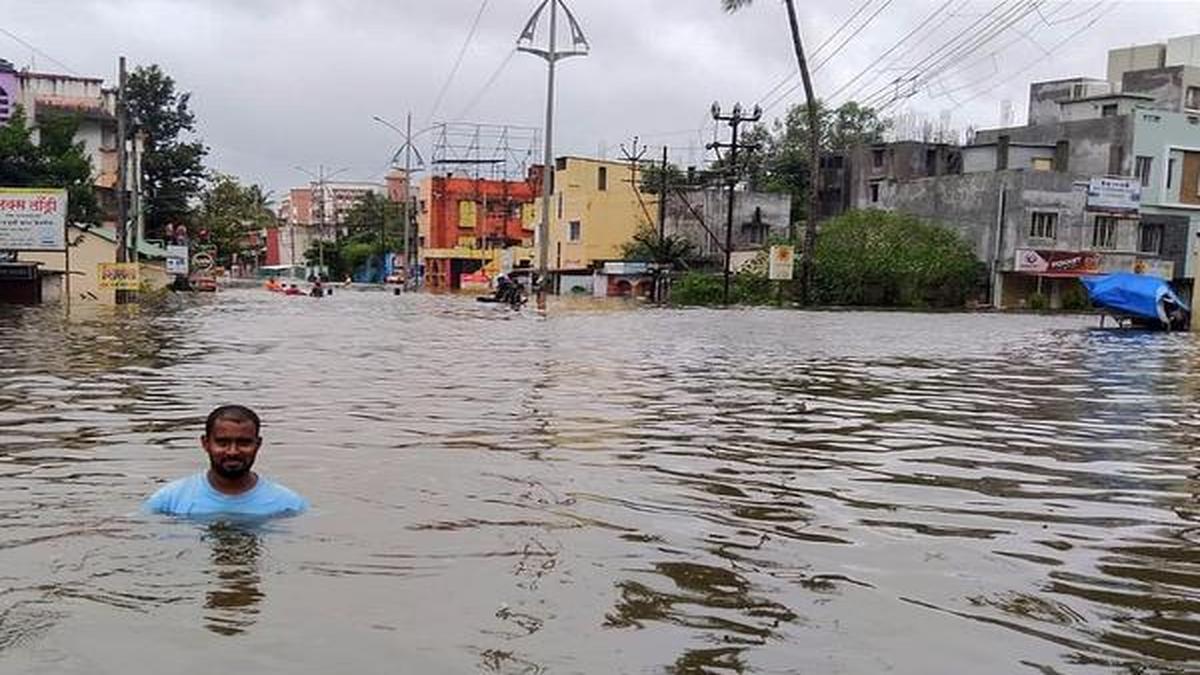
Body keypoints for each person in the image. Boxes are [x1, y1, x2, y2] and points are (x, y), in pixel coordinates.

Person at [144, 405, 308, 518]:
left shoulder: (288, 506)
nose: (232, 451)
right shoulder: (169, 501)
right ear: (205, 443)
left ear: (257, 445)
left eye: (244, 443)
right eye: (222, 443)